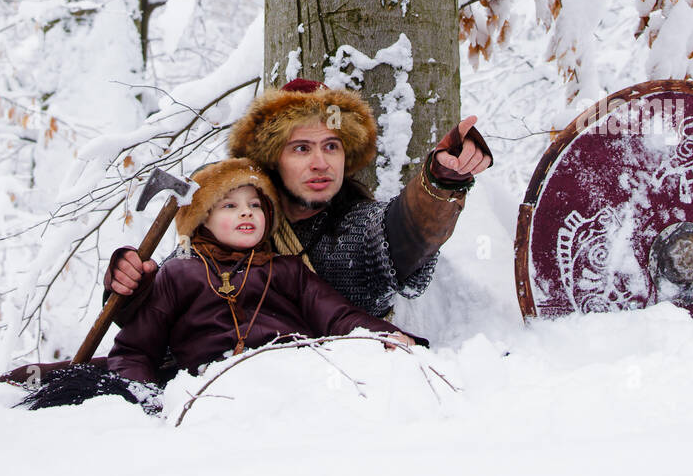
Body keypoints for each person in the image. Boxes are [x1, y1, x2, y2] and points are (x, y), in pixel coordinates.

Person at [23, 158, 419, 409]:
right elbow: (136, 349)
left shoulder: (287, 270)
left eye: (254, 206)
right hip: (214, 392)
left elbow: (337, 316)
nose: (246, 213)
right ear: (201, 220)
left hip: (292, 382)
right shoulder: (179, 272)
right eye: (229, 205)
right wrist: (142, 399)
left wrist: (383, 335)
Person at [108, 78, 492, 322]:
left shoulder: (362, 231)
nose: (321, 162)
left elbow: (409, 227)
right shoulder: (228, 230)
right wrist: (129, 283)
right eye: (302, 148)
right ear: (273, 159)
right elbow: (156, 310)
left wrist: (440, 182)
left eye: (331, 146)